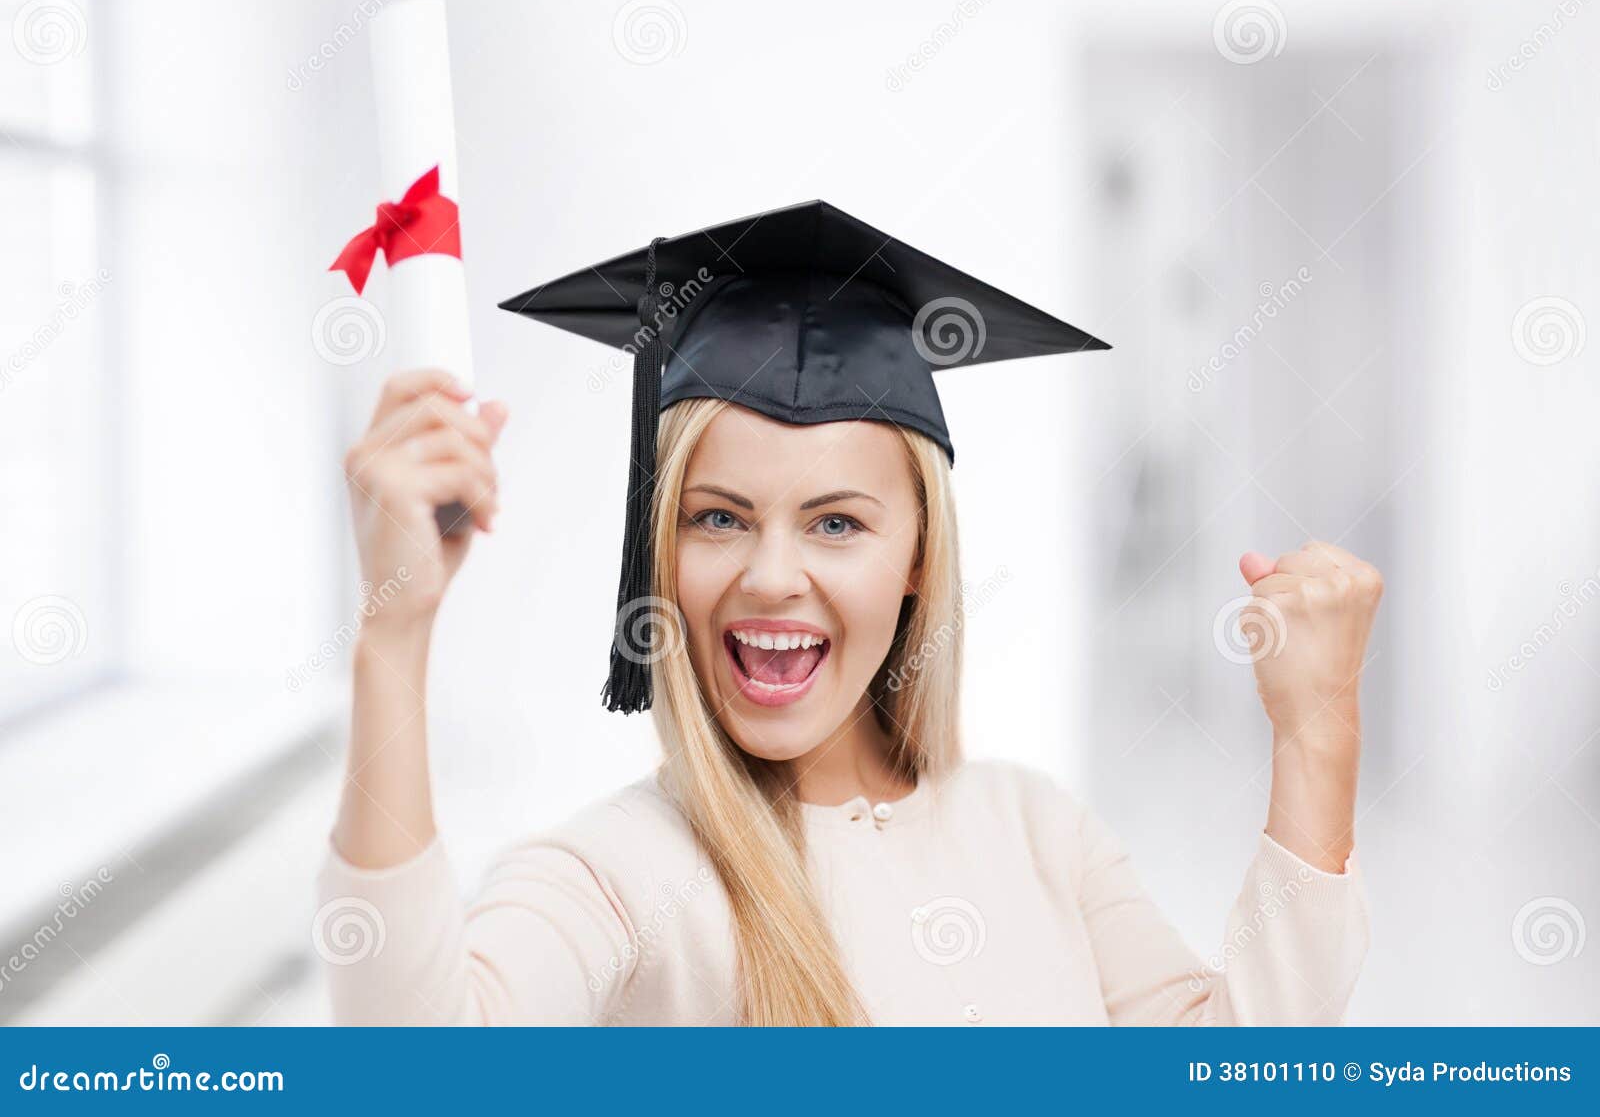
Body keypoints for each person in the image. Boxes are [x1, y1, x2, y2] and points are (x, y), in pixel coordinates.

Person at [317, 201, 1376, 1026]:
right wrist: (392, 634)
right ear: (659, 547)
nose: (772, 576)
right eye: (718, 518)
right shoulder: (614, 876)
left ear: (919, 557)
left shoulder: (1038, 833)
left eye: (835, 524)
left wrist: (1316, 732)